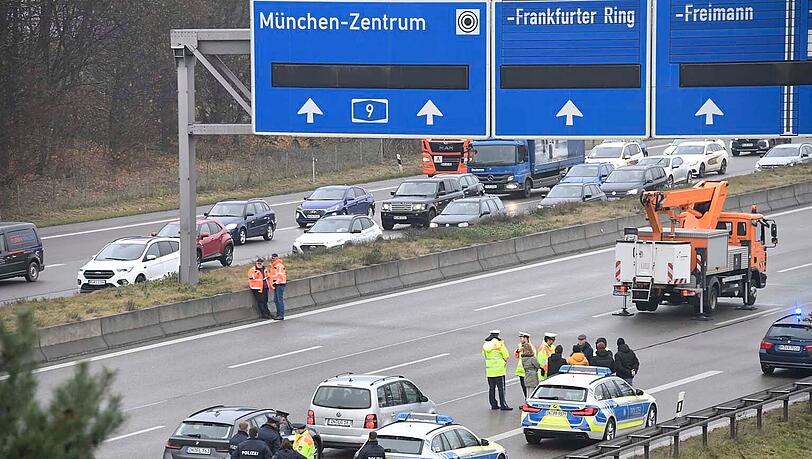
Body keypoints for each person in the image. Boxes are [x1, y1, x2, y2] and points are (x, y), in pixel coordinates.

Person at [482, 329, 512, 410]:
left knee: (491, 389)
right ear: (497, 335)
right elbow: (506, 355)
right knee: (501, 389)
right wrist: (503, 362)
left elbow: (484, 355)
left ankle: (493, 405)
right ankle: (503, 405)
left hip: (490, 371)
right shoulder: (500, 344)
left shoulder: (486, 345)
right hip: (499, 371)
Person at [514, 332, 534, 397]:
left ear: (526, 338)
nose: (520, 340)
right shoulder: (520, 346)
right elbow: (516, 356)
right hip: (521, 371)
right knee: (523, 387)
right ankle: (526, 399)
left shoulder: (530, 347)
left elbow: (534, 358)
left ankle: (528, 400)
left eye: (521, 338)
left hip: (527, 371)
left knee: (528, 388)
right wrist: (518, 351)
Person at [271, 253, 287, 320]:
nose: (273, 258)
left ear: (277, 257)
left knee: (279, 300)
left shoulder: (279, 265)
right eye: (272, 257)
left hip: (280, 284)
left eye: (274, 257)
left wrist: (276, 282)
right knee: (276, 300)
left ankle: (281, 315)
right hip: (276, 284)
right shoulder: (274, 265)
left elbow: (280, 275)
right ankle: (278, 314)